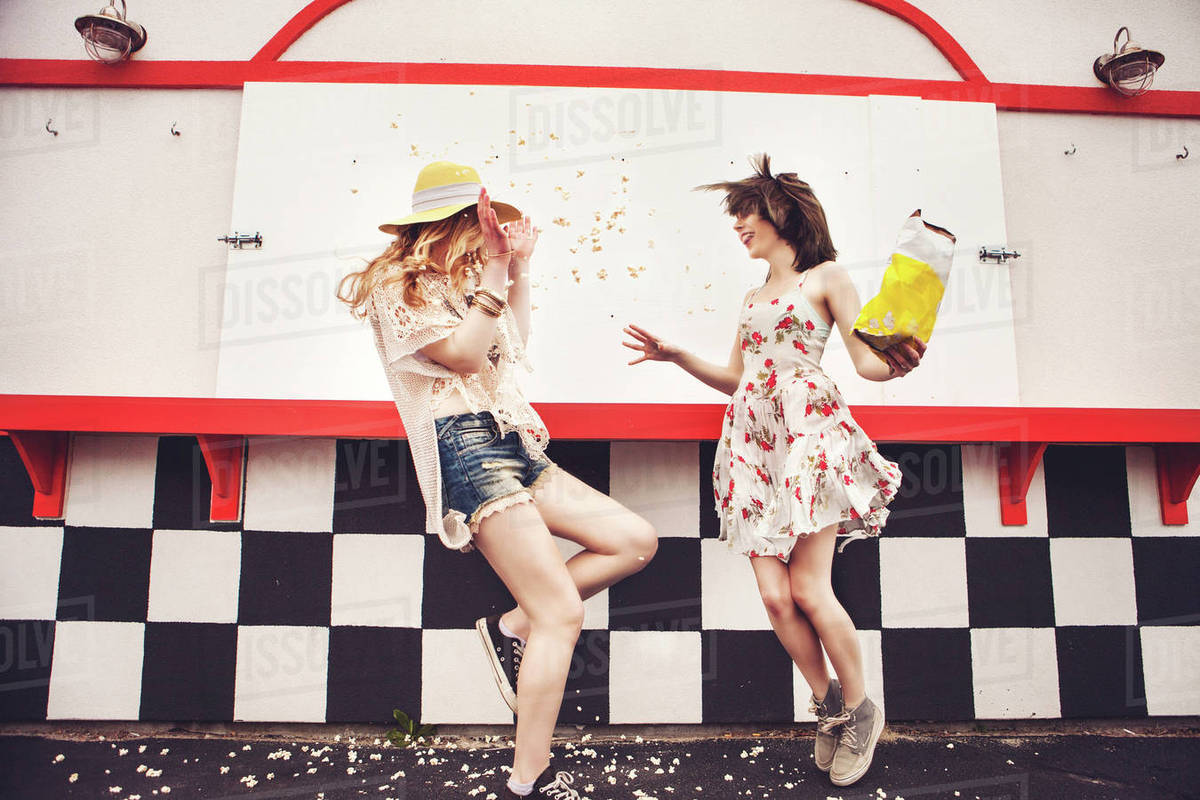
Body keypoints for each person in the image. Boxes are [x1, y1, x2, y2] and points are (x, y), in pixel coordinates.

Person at [339, 160, 658, 799]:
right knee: (562, 615)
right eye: (478, 225)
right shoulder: (398, 286)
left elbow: (509, 344)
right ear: (451, 224)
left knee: (633, 539)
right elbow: (458, 355)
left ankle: (511, 625)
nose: (488, 237)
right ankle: (529, 777)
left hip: (512, 439)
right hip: (465, 447)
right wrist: (492, 271)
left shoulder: (467, 280)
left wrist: (518, 269)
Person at [623, 154, 935, 788]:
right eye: (735, 215)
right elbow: (739, 378)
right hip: (751, 442)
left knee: (810, 589)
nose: (738, 225)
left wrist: (900, 363)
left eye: (745, 213)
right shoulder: (751, 296)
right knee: (773, 594)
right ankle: (830, 708)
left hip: (811, 435)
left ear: (781, 213)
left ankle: (863, 708)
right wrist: (678, 356)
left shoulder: (826, 278)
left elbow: (865, 362)